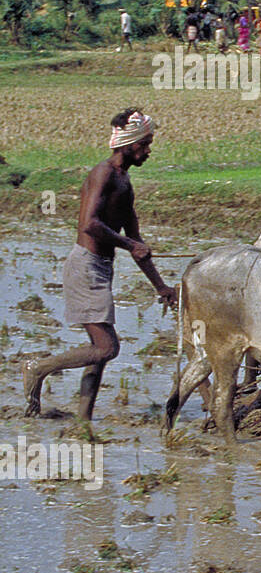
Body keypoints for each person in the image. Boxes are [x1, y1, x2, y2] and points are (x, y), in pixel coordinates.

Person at [22, 110, 178, 422]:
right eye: (145, 144)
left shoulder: (124, 181)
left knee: (99, 353)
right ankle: (38, 368)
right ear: (128, 144)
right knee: (107, 348)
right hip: (85, 267)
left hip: (100, 268)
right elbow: (88, 224)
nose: (148, 151)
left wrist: (161, 287)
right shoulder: (103, 174)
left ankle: (83, 422)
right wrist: (130, 245)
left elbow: (137, 244)